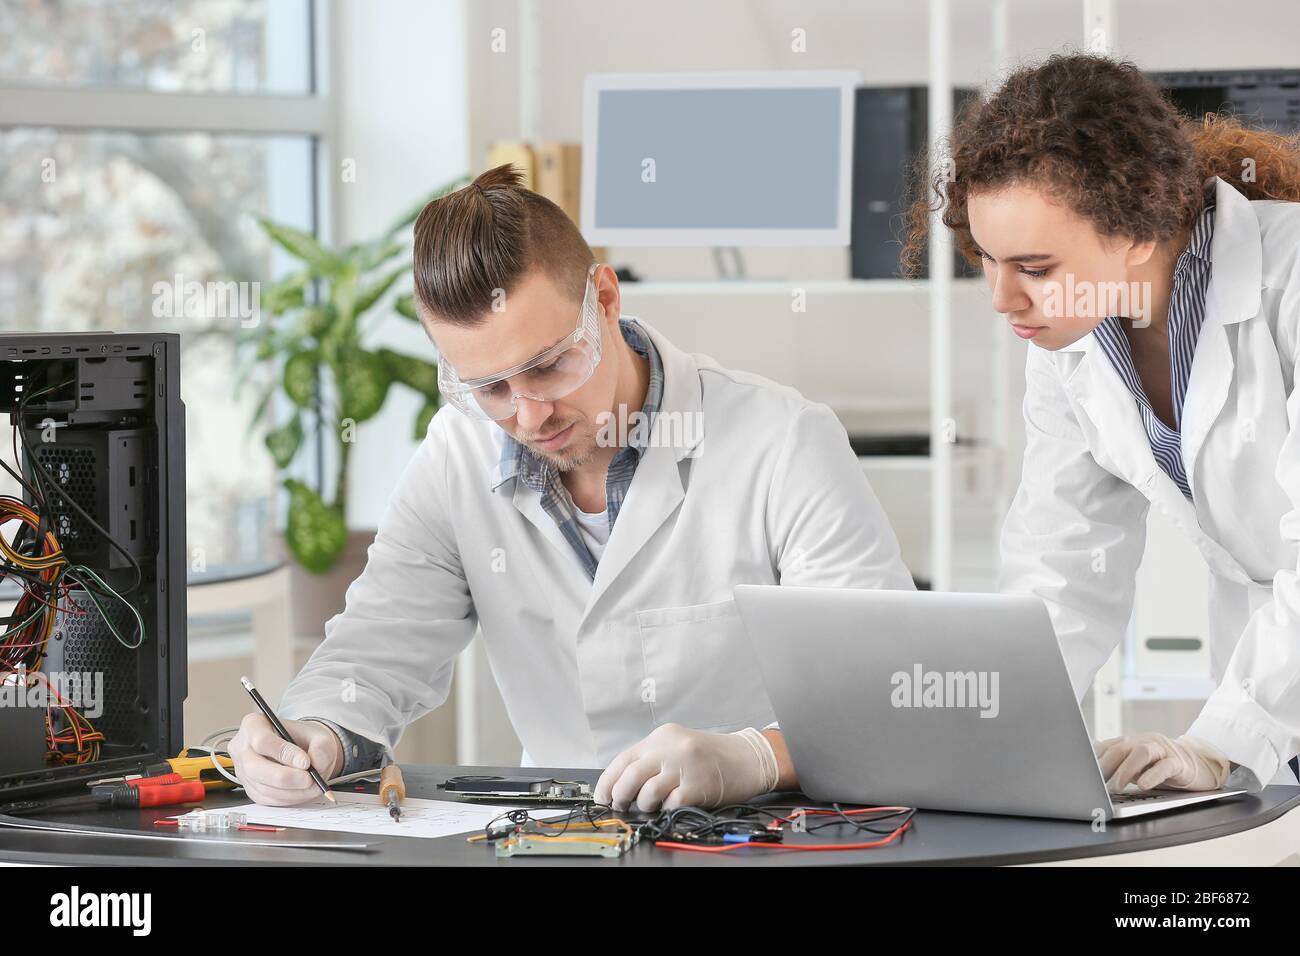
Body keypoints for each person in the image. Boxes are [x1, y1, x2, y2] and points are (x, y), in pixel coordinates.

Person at [229, 164, 914, 810]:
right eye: (489, 387)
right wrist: (314, 727)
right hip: (560, 833)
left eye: (550, 366)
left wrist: (751, 759)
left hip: (761, 834)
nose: (528, 416)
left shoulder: (781, 440)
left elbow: (878, 689)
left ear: (606, 300)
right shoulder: (457, 455)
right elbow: (377, 648)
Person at [903, 53, 1300, 792]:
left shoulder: (1291, 285)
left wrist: (1219, 741)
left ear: (1139, 232)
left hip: (1265, 706)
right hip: (1274, 708)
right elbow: (1064, 567)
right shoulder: (1073, 337)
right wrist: (976, 731)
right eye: (986, 259)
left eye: (1036, 267)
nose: (1003, 299)